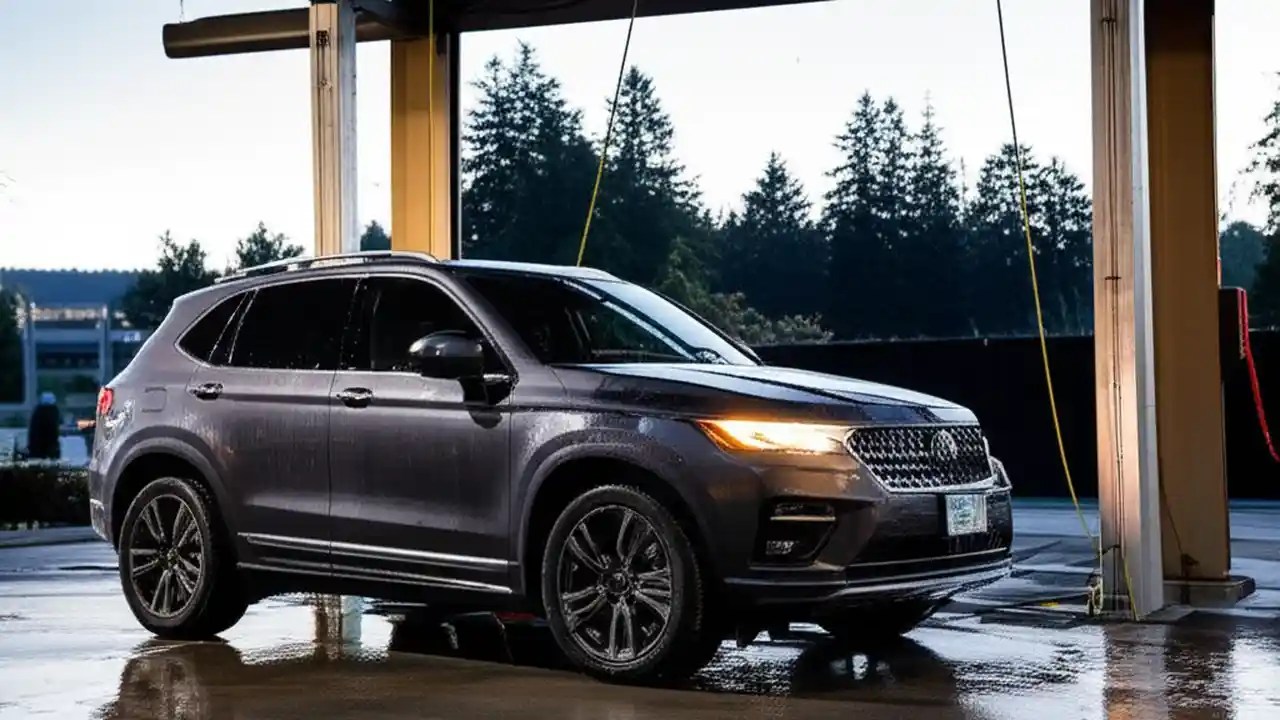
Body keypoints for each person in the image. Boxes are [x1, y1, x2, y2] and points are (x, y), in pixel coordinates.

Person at [26, 391, 61, 460]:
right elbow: (54, 431)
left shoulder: (37, 412)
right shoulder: (53, 411)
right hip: (47, 448)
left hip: (36, 448)